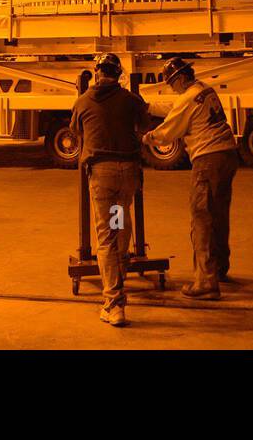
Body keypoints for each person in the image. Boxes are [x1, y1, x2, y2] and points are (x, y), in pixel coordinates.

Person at [143, 56, 239, 299]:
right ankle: (218, 268)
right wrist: (148, 106)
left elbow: (168, 132)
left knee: (201, 218)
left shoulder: (187, 98)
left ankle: (206, 282)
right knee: (218, 214)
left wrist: (147, 138)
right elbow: (178, 109)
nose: (171, 87)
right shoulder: (204, 89)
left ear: (181, 78)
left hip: (207, 158)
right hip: (227, 155)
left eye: (171, 83)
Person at [69, 52, 150, 327]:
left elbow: (77, 132)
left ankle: (114, 304)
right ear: (119, 75)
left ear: (96, 72)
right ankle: (120, 268)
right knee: (120, 225)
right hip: (126, 173)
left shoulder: (82, 102)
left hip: (102, 174)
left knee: (105, 238)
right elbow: (144, 127)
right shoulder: (130, 100)